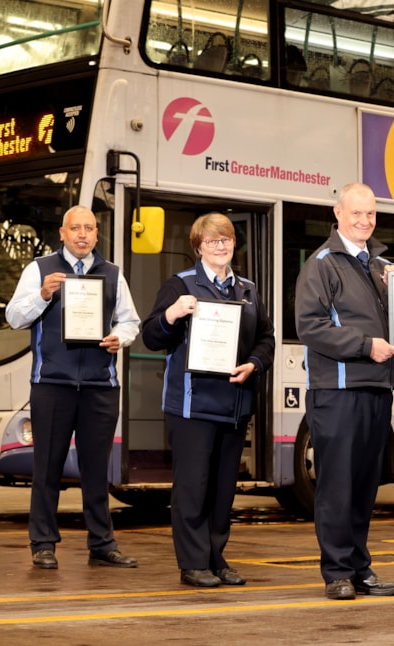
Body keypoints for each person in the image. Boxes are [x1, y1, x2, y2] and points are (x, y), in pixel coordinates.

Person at [142, 213, 275, 588]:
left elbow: (267, 338)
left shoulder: (247, 289)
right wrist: (171, 313)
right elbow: (151, 336)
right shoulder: (180, 285)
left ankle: (217, 558)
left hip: (234, 404)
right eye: (213, 241)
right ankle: (193, 563)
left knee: (222, 491)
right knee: (193, 486)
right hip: (191, 405)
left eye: (227, 239)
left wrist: (254, 363)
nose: (222, 246)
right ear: (198, 246)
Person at [6, 205, 140, 570]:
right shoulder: (40, 269)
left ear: (97, 235)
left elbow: (131, 321)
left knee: (96, 469)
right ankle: (43, 543)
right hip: (51, 384)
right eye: (75, 228)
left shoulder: (113, 274)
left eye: (89, 228)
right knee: (47, 466)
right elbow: (14, 317)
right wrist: (43, 296)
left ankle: (102, 544)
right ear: (62, 234)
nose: (82, 234)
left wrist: (119, 338)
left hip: (100, 386)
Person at [295, 183, 394, 600]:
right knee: (337, 484)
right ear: (337, 214)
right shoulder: (323, 263)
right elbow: (311, 325)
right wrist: (364, 345)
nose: (365, 221)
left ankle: (360, 567)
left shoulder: (380, 266)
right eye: (356, 213)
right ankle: (337, 571)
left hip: (377, 387)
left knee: (363, 484)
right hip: (338, 390)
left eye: (371, 214)